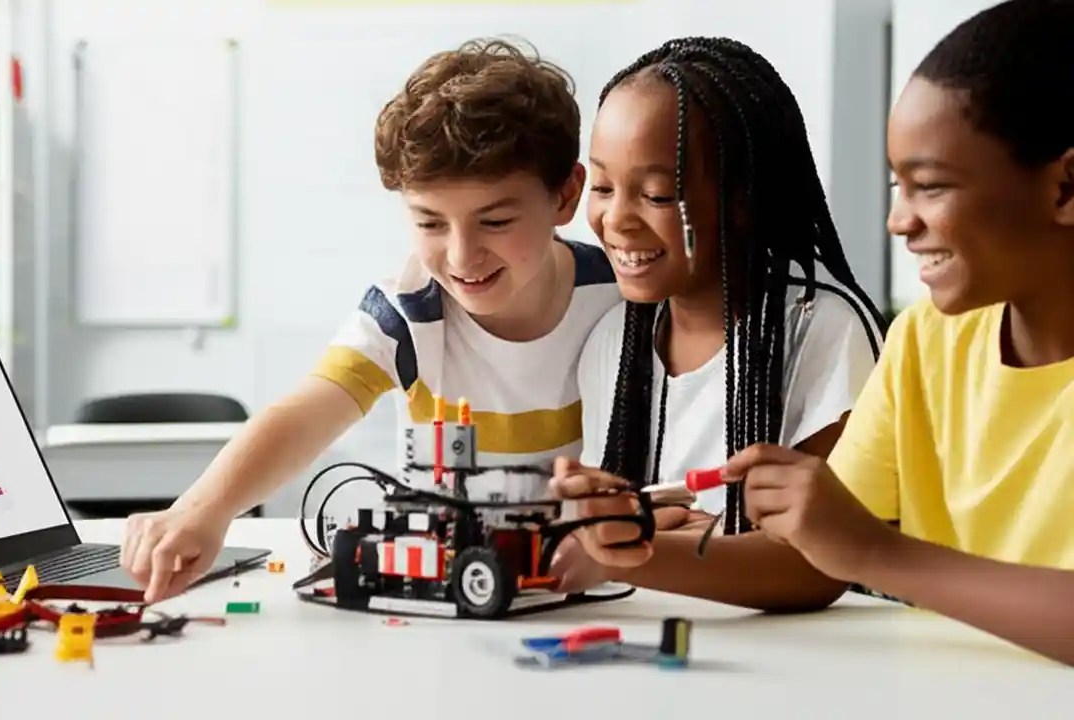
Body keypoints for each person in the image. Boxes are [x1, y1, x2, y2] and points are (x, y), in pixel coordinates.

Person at [559, 0, 1074, 666]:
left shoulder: (839, 328)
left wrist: (874, 552)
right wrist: (628, 541)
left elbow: (844, 553)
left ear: (1065, 188)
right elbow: (814, 553)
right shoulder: (927, 343)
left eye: (932, 186)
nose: (898, 221)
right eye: (898, 185)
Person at [120, 38, 622, 603]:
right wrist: (201, 511)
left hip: (590, 598)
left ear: (566, 195)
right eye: (430, 224)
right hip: (446, 598)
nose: (461, 257)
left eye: (496, 220)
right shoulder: (407, 311)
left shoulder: (620, 298)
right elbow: (306, 410)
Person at [546, 36, 887, 602]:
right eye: (603, 187)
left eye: (655, 195)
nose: (616, 219)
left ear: (744, 199)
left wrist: (626, 551)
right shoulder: (614, 340)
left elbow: (817, 564)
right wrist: (654, 535)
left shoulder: (819, 329)